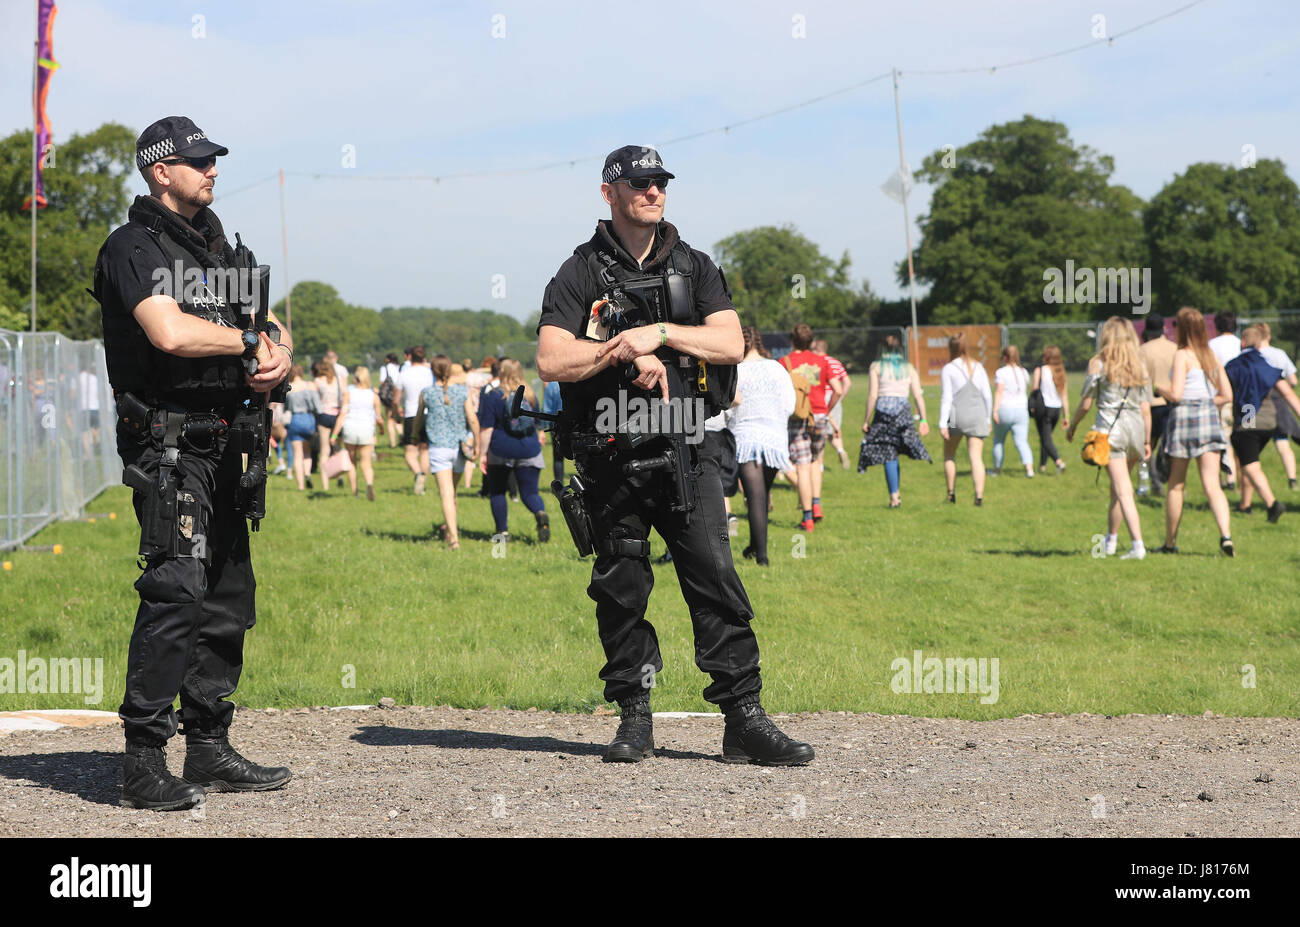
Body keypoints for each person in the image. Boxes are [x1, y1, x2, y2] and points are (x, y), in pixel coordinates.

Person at [536, 145, 813, 766]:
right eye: (638, 183)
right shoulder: (579, 272)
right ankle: (635, 717)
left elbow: (729, 344)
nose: (652, 191)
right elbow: (552, 359)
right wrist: (617, 352)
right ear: (609, 192)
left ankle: (743, 720)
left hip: (689, 450)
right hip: (610, 455)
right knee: (621, 588)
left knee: (716, 579)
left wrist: (657, 333)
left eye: (659, 181)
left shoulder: (694, 263)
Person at [89, 115, 292, 810]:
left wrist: (277, 353)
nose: (212, 169)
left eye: (214, 159)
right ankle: (144, 760)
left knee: (228, 599)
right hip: (168, 446)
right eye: (198, 160)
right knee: (175, 590)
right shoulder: (131, 247)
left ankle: (207, 745)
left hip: (230, 443)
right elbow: (168, 330)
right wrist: (244, 342)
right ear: (159, 169)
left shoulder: (218, 251)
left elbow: (267, 326)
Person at [1065, 317, 1152, 559]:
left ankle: (1138, 545)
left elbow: (1086, 403)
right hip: (1136, 430)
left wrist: (1073, 425)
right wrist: (1147, 441)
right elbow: (1146, 408)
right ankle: (1111, 541)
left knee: (1123, 491)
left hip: (1109, 433)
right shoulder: (1139, 365)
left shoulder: (1098, 363)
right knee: (1118, 489)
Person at [1151, 307, 1233, 556]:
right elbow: (1227, 395)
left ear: (1183, 329)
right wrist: (1206, 404)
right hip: (1209, 420)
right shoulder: (1211, 357)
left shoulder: (1182, 356)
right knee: (1213, 485)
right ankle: (1226, 537)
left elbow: (1175, 394)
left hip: (1184, 420)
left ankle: (1170, 543)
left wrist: (1158, 388)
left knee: (1176, 485)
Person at [728, 327, 793, 564]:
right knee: (762, 494)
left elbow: (729, 404)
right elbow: (790, 404)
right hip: (774, 439)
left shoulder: (736, 369)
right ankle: (755, 547)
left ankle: (762, 556)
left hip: (746, 437)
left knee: (754, 497)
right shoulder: (777, 368)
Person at [1225, 324, 1300, 523]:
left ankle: (1272, 504)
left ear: (1243, 342)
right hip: (1270, 420)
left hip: (1248, 417)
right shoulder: (1267, 366)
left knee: (1249, 465)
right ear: (1259, 344)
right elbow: (1289, 393)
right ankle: (1245, 504)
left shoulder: (1234, 366)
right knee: (1252, 461)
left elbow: (1223, 392)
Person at [476, 359, 549, 543]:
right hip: (529, 449)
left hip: (501, 450)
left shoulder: (493, 395)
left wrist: (482, 454)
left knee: (498, 492)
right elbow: (538, 423)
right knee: (530, 493)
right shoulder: (531, 395)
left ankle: (502, 534)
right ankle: (540, 514)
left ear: (501, 372)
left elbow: (486, 429)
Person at [858, 334, 930, 507]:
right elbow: (918, 395)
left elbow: (873, 395)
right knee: (894, 451)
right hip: (903, 412)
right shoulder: (909, 368)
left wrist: (866, 420)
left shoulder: (876, 366)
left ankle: (894, 496)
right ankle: (896, 493)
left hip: (883, 411)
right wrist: (923, 419)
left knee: (888, 452)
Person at [783, 323, 843, 531]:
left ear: (792, 340)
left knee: (803, 465)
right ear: (811, 341)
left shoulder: (786, 362)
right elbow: (838, 388)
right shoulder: (822, 361)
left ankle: (807, 518)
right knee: (816, 461)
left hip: (799, 416)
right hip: (820, 416)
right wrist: (827, 408)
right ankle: (817, 505)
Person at [422, 355, 476, 549]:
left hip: (438, 447)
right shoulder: (463, 392)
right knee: (452, 493)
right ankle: (450, 531)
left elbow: (419, 419)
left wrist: (412, 436)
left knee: (446, 493)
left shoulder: (427, 392)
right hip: (459, 447)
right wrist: (476, 443)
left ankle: (453, 538)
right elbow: (472, 419)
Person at [937, 332, 992, 505]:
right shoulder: (978, 367)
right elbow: (987, 396)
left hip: (955, 415)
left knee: (949, 455)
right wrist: (988, 419)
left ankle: (951, 494)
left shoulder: (949, 369)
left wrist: (942, 423)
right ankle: (979, 496)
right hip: (977, 415)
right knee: (976, 457)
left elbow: (947, 398)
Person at [331, 365, 383, 500]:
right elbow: (379, 418)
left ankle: (355, 492)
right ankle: (369, 485)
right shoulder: (374, 396)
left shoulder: (349, 394)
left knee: (352, 462)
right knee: (366, 463)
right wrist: (381, 429)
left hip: (350, 429)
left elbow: (342, 415)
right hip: (366, 430)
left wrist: (334, 434)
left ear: (355, 379)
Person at [1138, 314, 1175, 495]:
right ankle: (1175, 484)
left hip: (1149, 404)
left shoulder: (1142, 351)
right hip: (1171, 402)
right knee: (1171, 447)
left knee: (1148, 446)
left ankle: (1153, 482)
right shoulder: (1175, 349)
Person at [990, 345, 1034, 479]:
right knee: (1022, 442)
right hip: (1021, 410)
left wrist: (995, 410)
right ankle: (1029, 469)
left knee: (998, 441)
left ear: (1004, 357)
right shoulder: (1024, 372)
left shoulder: (1001, 373)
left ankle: (997, 470)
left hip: (1005, 409)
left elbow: (999, 392)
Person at [1208, 311, 1241, 490]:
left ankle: (1229, 478)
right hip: (1244, 399)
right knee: (1243, 434)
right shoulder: (1240, 344)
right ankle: (1243, 475)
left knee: (1225, 436)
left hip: (1222, 397)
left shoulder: (1211, 345)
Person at [394, 345, 433, 494]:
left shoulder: (404, 374)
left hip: (411, 414)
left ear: (410, 357)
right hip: (428, 413)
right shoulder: (429, 373)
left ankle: (418, 474)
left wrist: (396, 411)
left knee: (410, 452)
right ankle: (422, 485)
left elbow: (396, 399)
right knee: (425, 450)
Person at [812, 338, 852, 469]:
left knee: (820, 431)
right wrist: (840, 398)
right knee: (834, 431)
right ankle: (841, 450)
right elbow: (847, 382)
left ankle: (820, 464)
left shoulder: (816, 362)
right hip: (835, 396)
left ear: (817, 349)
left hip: (821, 396)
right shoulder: (835, 362)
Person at [1030, 345, 1070, 475]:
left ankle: (1059, 462)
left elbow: (1035, 389)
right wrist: (1066, 416)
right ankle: (1042, 466)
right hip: (1056, 410)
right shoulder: (1060, 371)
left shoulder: (1040, 370)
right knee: (1046, 436)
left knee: (1045, 439)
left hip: (1044, 409)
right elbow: (1064, 396)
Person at [284, 365, 319, 490]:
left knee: (297, 454)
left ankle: (300, 486)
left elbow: (286, 408)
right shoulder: (309, 386)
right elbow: (317, 407)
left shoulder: (290, 389)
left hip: (295, 420)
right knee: (307, 452)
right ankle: (308, 474)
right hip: (308, 419)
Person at [312, 359, 343, 493]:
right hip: (337, 415)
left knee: (324, 450)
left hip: (323, 415)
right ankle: (339, 475)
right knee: (337, 448)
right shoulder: (339, 380)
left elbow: (314, 399)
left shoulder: (317, 382)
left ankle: (325, 484)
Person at [378, 352, 402, 447]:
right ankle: (401, 437)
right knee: (397, 419)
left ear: (388, 359)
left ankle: (392, 443)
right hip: (399, 394)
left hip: (389, 396)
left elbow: (382, 381)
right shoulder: (399, 367)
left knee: (390, 419)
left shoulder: (385, 368)